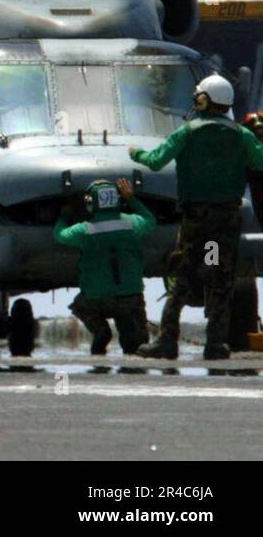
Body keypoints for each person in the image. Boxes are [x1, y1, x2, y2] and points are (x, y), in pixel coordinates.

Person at [129, 73, 263, 360]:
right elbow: (260, 161)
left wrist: (136, 153)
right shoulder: (242, 135)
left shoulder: (187, 132)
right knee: (218, 277)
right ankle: (215, 343)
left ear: (204, 99)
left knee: (184, 278)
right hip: (224, 225)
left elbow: (155, 161)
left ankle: (167, 342)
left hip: (195, 224)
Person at [53, 179, 155, 354]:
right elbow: (150, 221)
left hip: (95, 299)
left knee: (79, 306)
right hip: (129, 298)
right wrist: (131, 199)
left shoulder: (84, 230)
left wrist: (64, 215)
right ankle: (133, 346)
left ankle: (100, 329)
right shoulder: (133, 223)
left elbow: (60, 235)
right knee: (136, 345)